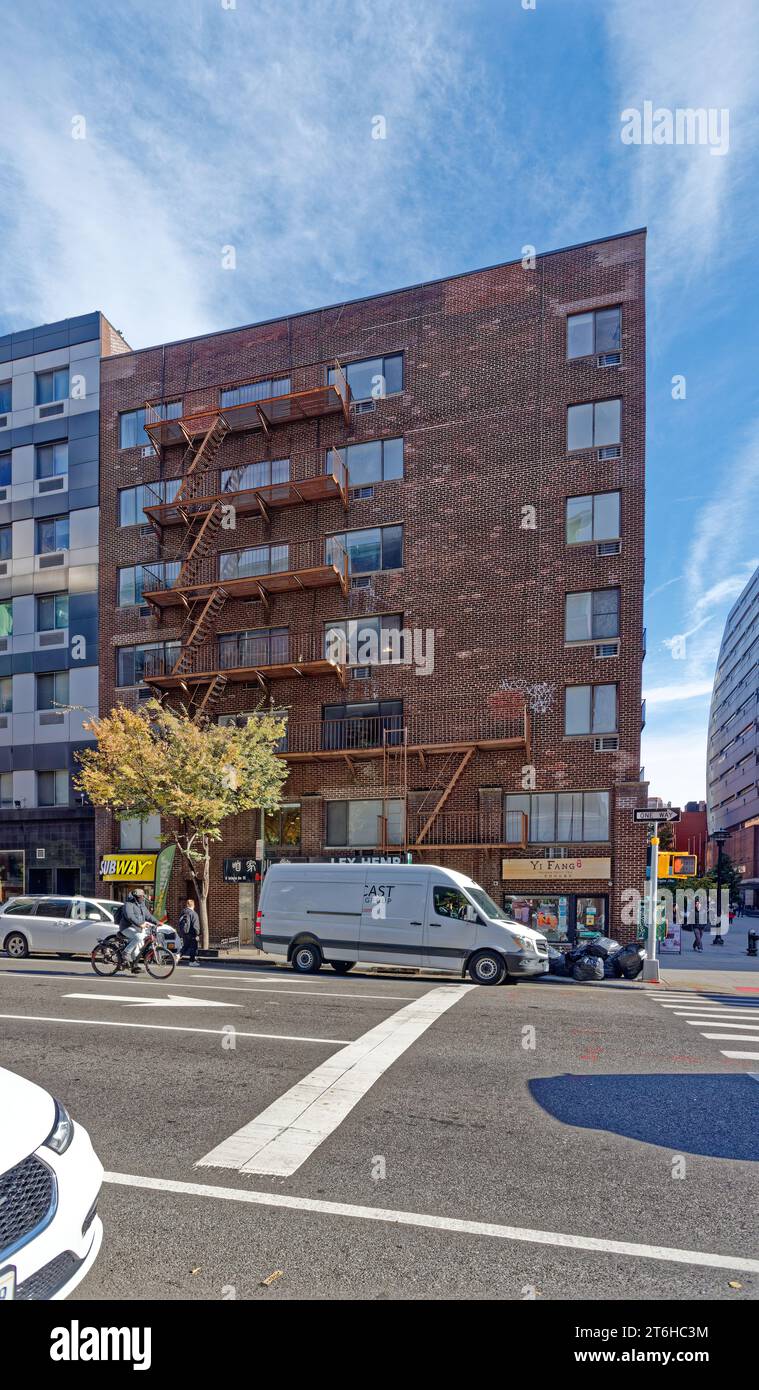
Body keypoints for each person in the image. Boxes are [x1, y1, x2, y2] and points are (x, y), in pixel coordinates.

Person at [120, 887, 159, 972]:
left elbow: (148, 916)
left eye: (142, 896)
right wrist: (140, 924)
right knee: (139, 937)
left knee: (137, 949)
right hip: (127, 928)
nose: (141, 898)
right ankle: (125, 953)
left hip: (138, 928)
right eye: (139, 897)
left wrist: (157, 922)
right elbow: (130, 917)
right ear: (135, 897)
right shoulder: (128, 904)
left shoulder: (142, 905)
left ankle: (134, 966)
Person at [178, 897, 201, 964]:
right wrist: (197, 934)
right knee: (193, 947)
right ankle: (192, 961)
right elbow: (195, 925)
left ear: (187, 905)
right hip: (192, 933)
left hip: (184, 933)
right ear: (193, 905)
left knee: (185, 946)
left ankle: (178, 955)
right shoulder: (193, 914)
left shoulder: (183, 912)